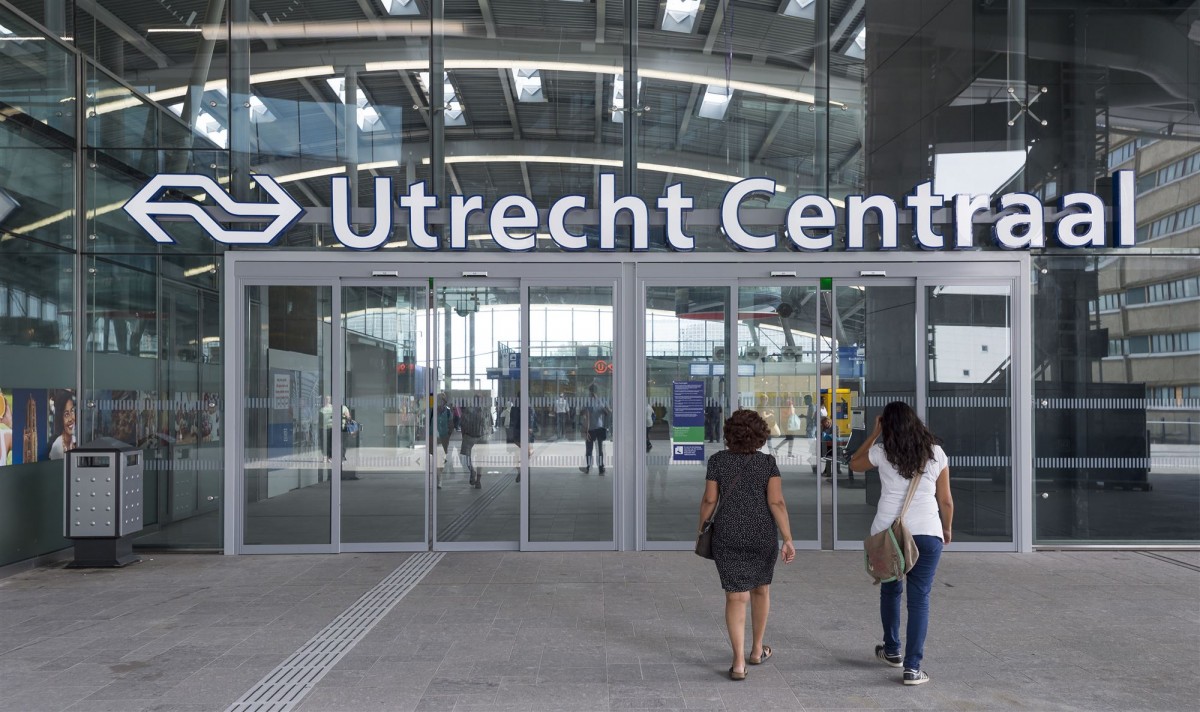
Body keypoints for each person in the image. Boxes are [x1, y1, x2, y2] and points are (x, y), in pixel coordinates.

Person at [849, 401, 954, 687]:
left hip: (888, 534)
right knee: (919, 599)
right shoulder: (936, 453)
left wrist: (873, 434)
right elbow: (945, 500)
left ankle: (892, 649)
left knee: (890, 590)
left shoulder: (882, 452)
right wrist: (946, 527)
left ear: (887, 426)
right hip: (927, 533)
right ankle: (912, 668)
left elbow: (854, 464)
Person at [697, 409, 796, 681]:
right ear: (760, 434)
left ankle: (738, 663)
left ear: (730, 433)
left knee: (735, 596)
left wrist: (701, 529)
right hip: (762, 535)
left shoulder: (718, 461)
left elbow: (709, 500)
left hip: (727, 534)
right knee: (761, 590)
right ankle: (756, 650)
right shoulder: (767, 463)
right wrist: (787, 538)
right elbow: (776, 502)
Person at [578, 384, 610, 475]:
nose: (591, 393)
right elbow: (606, 413)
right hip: (595, 428)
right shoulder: (596, 401)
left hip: (593, 428)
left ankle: (590, 468)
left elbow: (606, 413)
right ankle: (599, 469)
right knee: (597, 450)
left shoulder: (594, 401)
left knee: (591, 449)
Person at [459, 401, 487, 489]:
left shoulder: (466, 412)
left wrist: (463, 436)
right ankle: (478, 481)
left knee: (467, 457)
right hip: (481, 437)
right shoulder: (484, 412)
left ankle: (472, 471)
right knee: (480, 459)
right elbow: (487, 426)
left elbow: (462, 425)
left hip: (469, 437)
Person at [48, 391, 76, 460]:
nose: (71, 419)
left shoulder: (76, 440)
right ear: (60, 418)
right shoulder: (57, 447)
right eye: (66, 414)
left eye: (72, 411)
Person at [435, 393, 454, 488]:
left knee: (441, 459)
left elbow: (451, 425)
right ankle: (439, 478)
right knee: (437, 459)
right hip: (434, 438)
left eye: (442, 400)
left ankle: (439, 476)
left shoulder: (448, 411)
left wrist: (448, 435)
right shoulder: (432, 411)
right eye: (439, 400)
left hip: (444, 438)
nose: (440, 402)